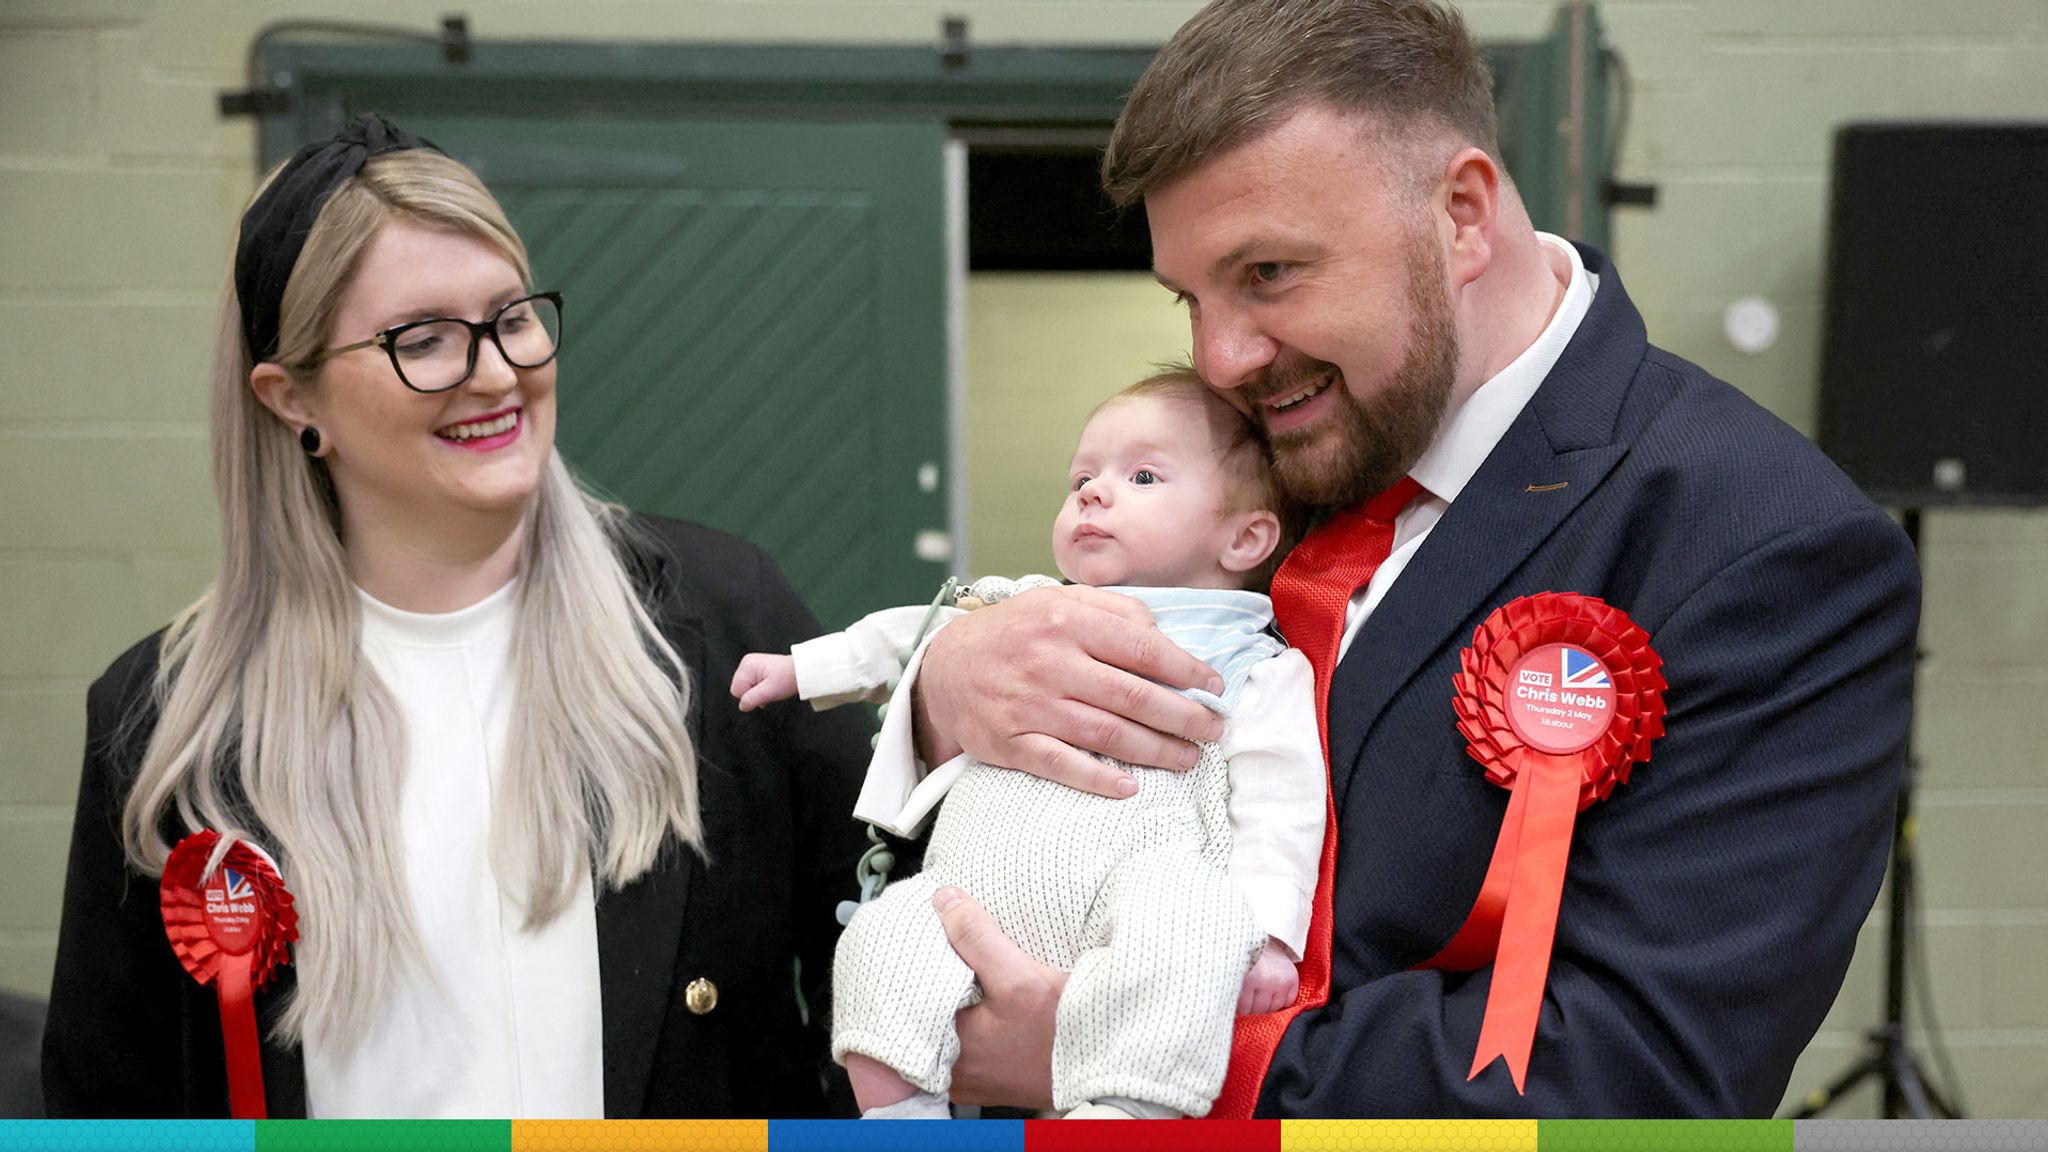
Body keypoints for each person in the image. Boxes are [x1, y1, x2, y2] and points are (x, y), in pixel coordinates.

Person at [878, 0, 1921, 1118]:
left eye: (1269, 272)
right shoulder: (1264, 450)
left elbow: (1634, 1074)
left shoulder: (1760, 543)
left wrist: (1135, 1055)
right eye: (1191, 299)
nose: (1220, 357)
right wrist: (945, 695)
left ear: (1461, 215)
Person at [42, 114, 872, 1119]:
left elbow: (879, 947)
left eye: (510, 317)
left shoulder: (718, 617)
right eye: (422, 340)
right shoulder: (169, 720)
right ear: (290, 397)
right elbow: (110, 1101)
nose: (493, 370)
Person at [731, 372, 1324, 1119]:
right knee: (882, 937)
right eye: (1082, 476)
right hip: (973, 894)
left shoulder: (1254, 663)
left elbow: (1283, 800)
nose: (1093, 492)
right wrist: (803, 666)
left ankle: (1124, 1108)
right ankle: (902, 1117)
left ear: (1246, 537)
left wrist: (1269, 935)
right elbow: (906, 635)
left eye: (1142, 475)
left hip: (1134, 892)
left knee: (1192, 916)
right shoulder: (1023, 611)